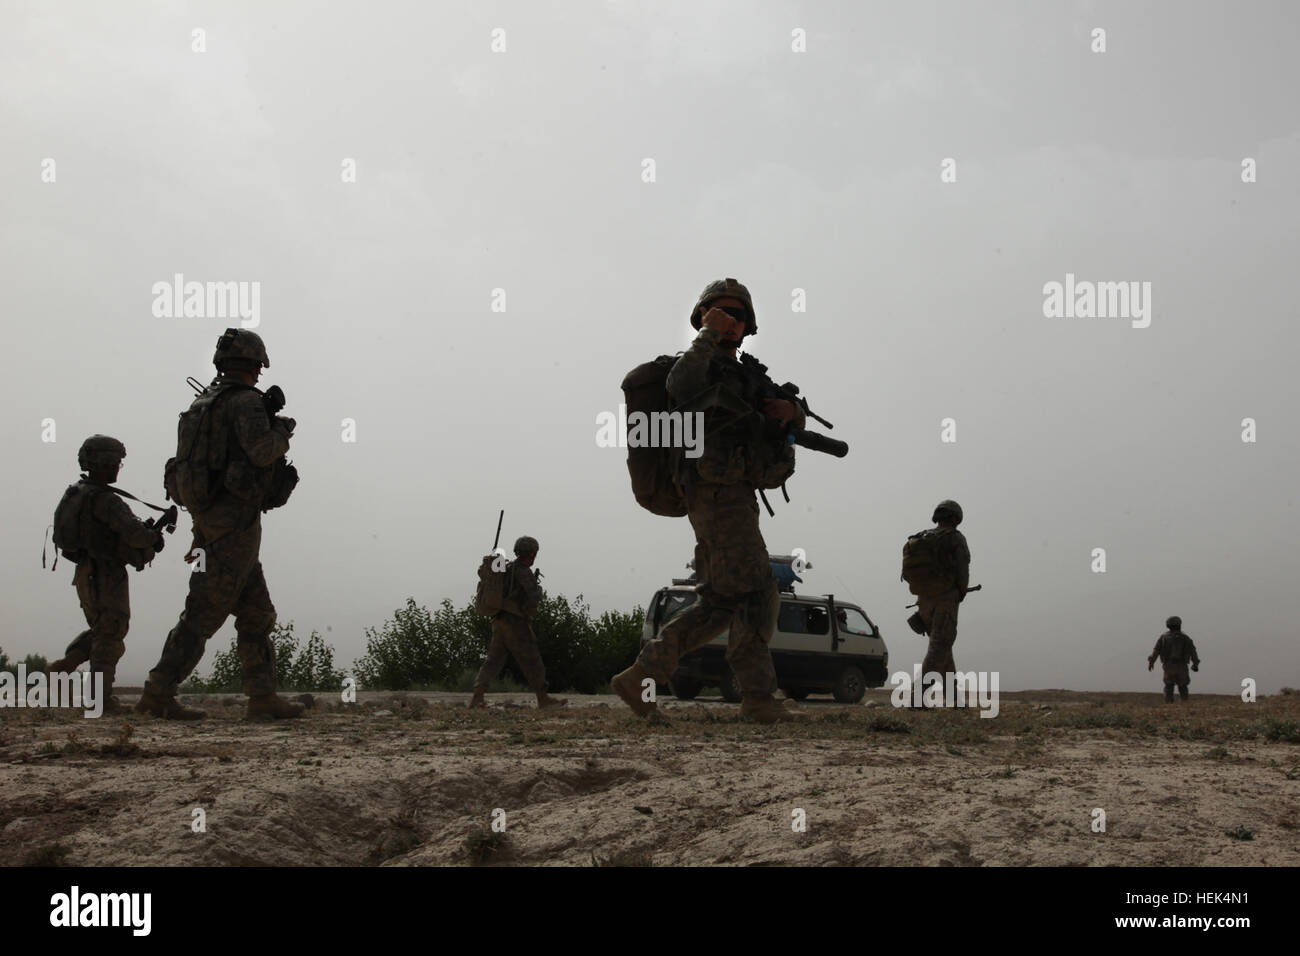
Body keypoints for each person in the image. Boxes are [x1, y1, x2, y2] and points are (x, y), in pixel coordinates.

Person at [612, 277, 803, 723]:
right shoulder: (698, 361)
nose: (731, 321)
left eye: (738, 315)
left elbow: (781, 408)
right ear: (702, 317)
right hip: (712, 489)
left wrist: (792, 412)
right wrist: (707, 334)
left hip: (736, 489)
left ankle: (642, 675)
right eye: (720, 312)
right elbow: (681, 385)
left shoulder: (745, 373)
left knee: (722, 601)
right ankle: (756, 697)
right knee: (757, 589)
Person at [136, 329, 302, 720]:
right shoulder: (244, 403)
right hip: (234, 527)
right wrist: (282, 431)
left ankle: (262, 698)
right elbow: (262, 453)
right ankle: (158, 692)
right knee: (203, 612)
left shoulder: (201, 404)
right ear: (254, 365)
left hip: (212, 523)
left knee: (257, 612)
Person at [48, 436, 165, 714]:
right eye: (115, 462)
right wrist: (153, 537)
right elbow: (135, 535)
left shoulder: (78, 492)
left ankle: (65, 666)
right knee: (111, 632)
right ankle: (98, 699)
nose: (117, 468)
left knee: (103, 628)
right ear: (103, 462)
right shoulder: (105, 500)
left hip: (85, 571)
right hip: (105, 572)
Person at [469, 536, 567, 709]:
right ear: (531, 553)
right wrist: (538, 589)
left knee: (493, 660)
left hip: (499, 620)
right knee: (532, 659)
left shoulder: (507, 568)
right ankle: (543, 698)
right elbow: (533, 596)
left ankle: (478, 696)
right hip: (515, 622)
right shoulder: (523, 571)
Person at [912, 499, 971, 707]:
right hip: (945, 602)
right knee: (939, 648)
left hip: (923, 603)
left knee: (943, 646)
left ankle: (955, 699)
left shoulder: (924, 537)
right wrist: (960, 593)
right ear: (955, 518)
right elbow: (963, 573)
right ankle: (917, 697)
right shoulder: (955, 538)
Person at [1148, 615, 1200, 702]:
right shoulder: (1185, 638)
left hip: (1169, 666)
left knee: (1169, 685)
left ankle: (1169, 704)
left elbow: (1156, 650)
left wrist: (1151, 662)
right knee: (1183, 686)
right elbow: (1193, 652)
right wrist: (1195, 664)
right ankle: (1184, 703)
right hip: (1181, 666)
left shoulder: (1163, 637)